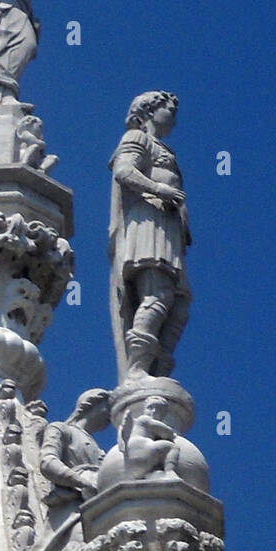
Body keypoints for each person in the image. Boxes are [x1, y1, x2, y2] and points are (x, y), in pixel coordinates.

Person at [109, 91, 191, 379]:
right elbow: (123, 171)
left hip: (167, 228)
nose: (173, 114)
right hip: (147, 221)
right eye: (168, 107)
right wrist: (158, 189)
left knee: (178, 307)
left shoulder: (166, 149)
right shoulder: (137, 138)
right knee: (157, 295)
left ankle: (158, 369)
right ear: (148, 110)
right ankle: (137, 369)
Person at [21, 389, 110, 551]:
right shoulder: (61, 429)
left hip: (95, 507)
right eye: (108, 408)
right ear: (92, 404)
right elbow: (48, 462)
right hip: (73, 506)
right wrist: (81, 480)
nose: (110, 416)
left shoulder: (98, 448)